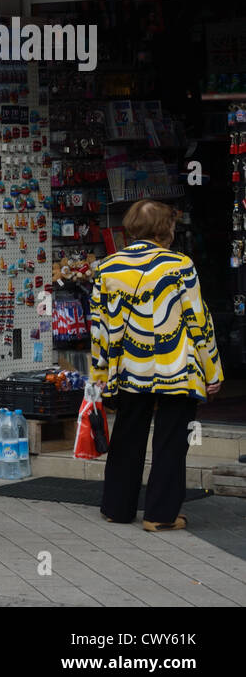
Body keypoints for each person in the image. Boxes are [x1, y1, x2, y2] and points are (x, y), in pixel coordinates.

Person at [93, 200, 223, 531]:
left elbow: (99, 327)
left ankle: (117, 507)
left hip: (129, 368)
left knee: (127, 433)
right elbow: (198, 320)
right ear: (164, 229)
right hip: (175, 366)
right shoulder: (179, 265)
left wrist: (99, 376)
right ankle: (160, 515)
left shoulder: (107, 267)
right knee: (171, 439)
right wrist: (213, 370)